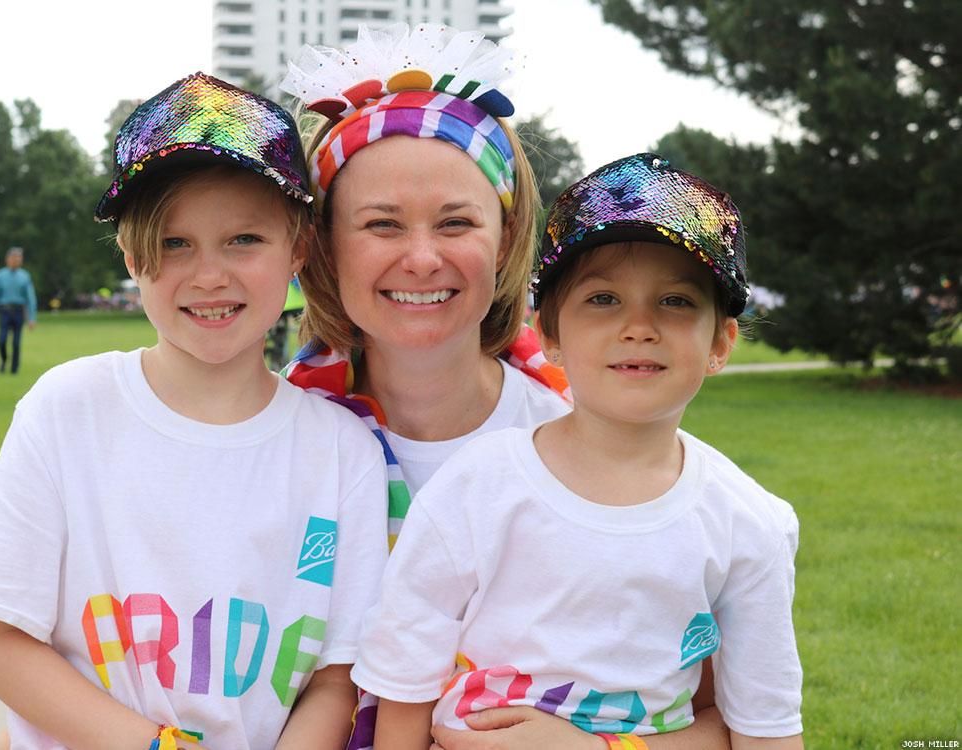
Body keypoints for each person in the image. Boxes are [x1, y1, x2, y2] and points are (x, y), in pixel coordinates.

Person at [280, 24, 730, 750]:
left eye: (456, 222)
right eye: (381, 224)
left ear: (506, 234)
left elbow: (718, 713)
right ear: (326, 246)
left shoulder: (586, 442)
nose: (422, 258)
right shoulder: (269, 438)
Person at [0, 73, 389, 749]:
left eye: (244, 239)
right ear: (131, 255)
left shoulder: (339, 451)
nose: (210, 275)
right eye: (174, 243)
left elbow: (334, 678)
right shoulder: (68, 411)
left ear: (297, 250)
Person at [353, 153, 804, 749]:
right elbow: (405, 678)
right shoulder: (478, 485)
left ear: (721, 342)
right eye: (603, 299)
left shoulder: (749, 524)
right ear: (551, 333)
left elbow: (764, 730)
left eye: (675, 301)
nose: (639, 326)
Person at [0, 246, 38, 374]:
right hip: (4, 311)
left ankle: (14, 369)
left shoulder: (25, 276)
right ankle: (4, 360)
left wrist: (32, 318)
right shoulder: (0, 275)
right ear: (7, 259)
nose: (16, 260)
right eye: (14, 258)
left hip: (18, 311)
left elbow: (31, 299)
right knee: (2, 340)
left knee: (16, 342)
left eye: (19, 258)